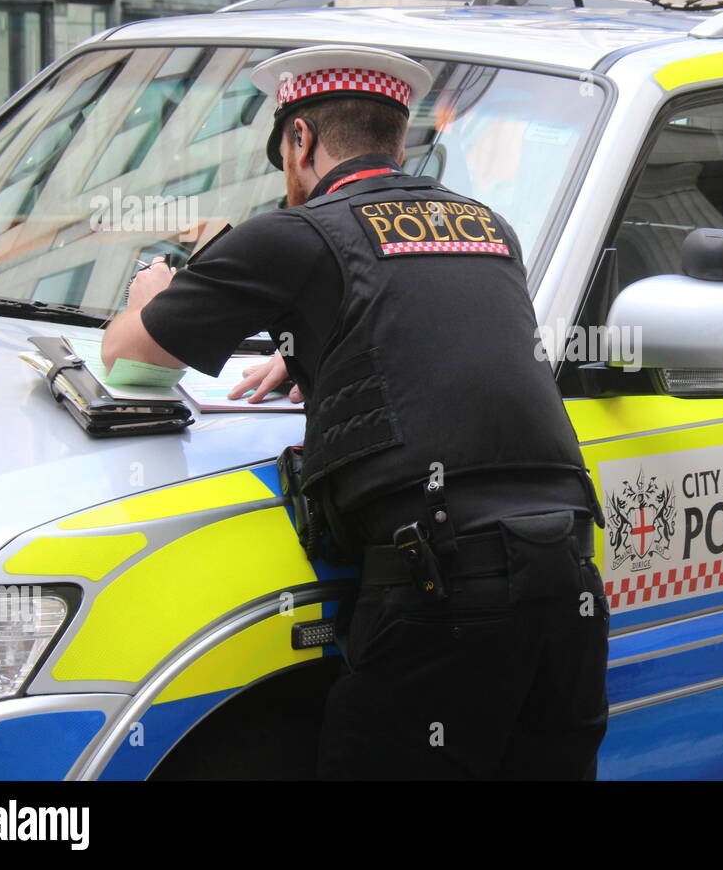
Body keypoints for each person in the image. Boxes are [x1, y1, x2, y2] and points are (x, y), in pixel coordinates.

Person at [102, 44, 610, 780]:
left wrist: (150, 289)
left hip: (445, 585)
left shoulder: (295, 233)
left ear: (300, 141)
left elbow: (134, 356)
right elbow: (432, 335)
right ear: (398, 141)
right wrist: (318, 353)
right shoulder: (486, 228)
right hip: (568, 578)